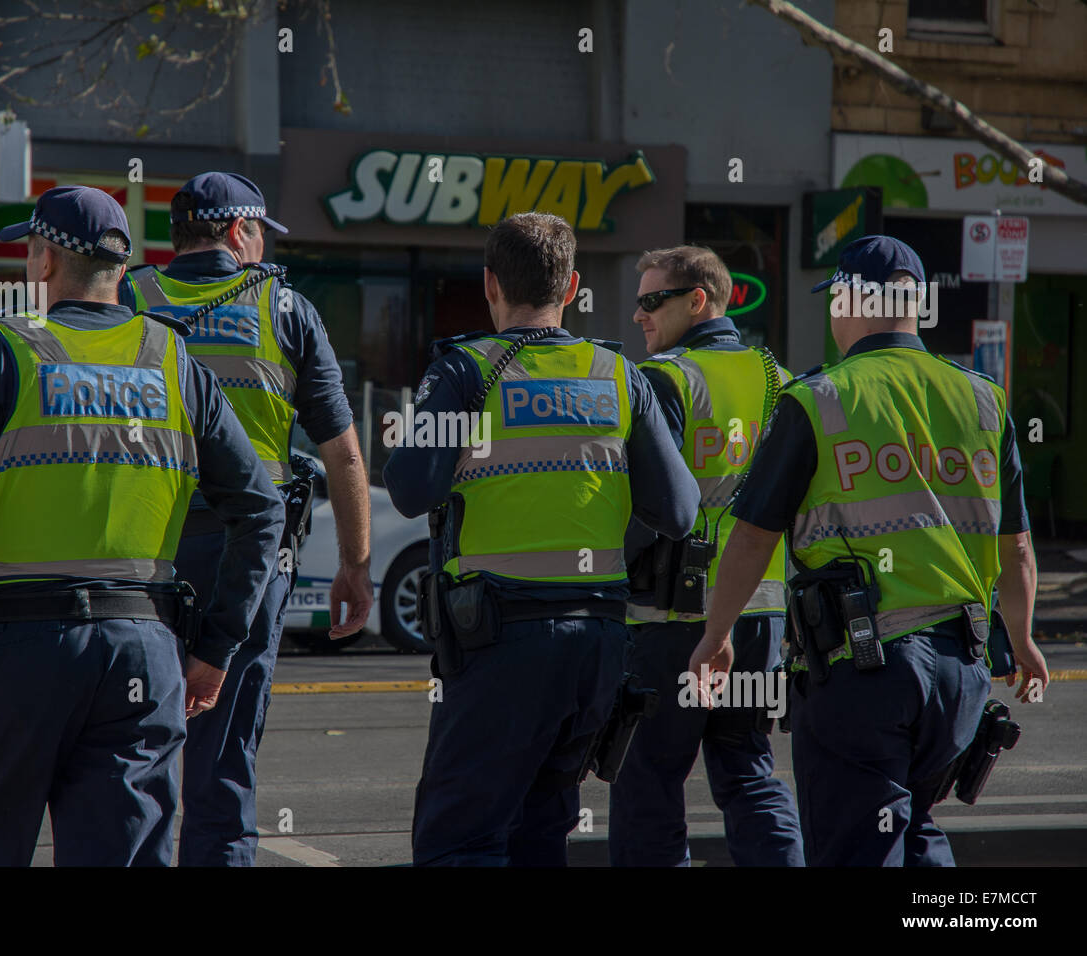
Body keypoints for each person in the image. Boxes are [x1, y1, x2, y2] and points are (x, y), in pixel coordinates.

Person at [0, 186, 285, 866]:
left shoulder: (6, 352)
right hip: (142, 651)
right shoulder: (175, 362)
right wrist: (218, 645)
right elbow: (262, 508)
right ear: (121, 267)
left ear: (46, 261)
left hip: (15, 652)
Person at [690, 235, 1051, 866]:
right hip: (959, 674)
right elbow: (1016, 545)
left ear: (849, 300)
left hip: (865, 673)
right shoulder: (983, 398)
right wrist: (1021, 640)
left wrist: (717, 633)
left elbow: (752, 536)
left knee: (859, 846)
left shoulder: (817, 398)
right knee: (914, 832)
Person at [384, 213, 699, 866]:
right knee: (539, 831)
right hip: (598, 647)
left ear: (491, 285)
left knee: (460, 839)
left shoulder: (468, 371)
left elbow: (411, 489)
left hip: (498, 641)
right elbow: (679, 510)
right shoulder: (617, 374)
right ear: (573, 285)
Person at [121, 171, 372, 866]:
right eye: (260, 232)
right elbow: (344, 456)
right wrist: (354, 564)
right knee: (223, 760)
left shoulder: (130, 298)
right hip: (250, 561)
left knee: (131, 752)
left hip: (141, 557)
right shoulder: (285, 309)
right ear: (240, 233)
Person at [609, 245, 803, 867]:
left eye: (650, 301)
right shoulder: (784, 381)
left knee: (648, 782)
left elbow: (647, 506)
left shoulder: (664, 379)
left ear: (697, 300)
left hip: (673, 622)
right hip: (760, 619)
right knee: (748, 770)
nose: (638, 315)